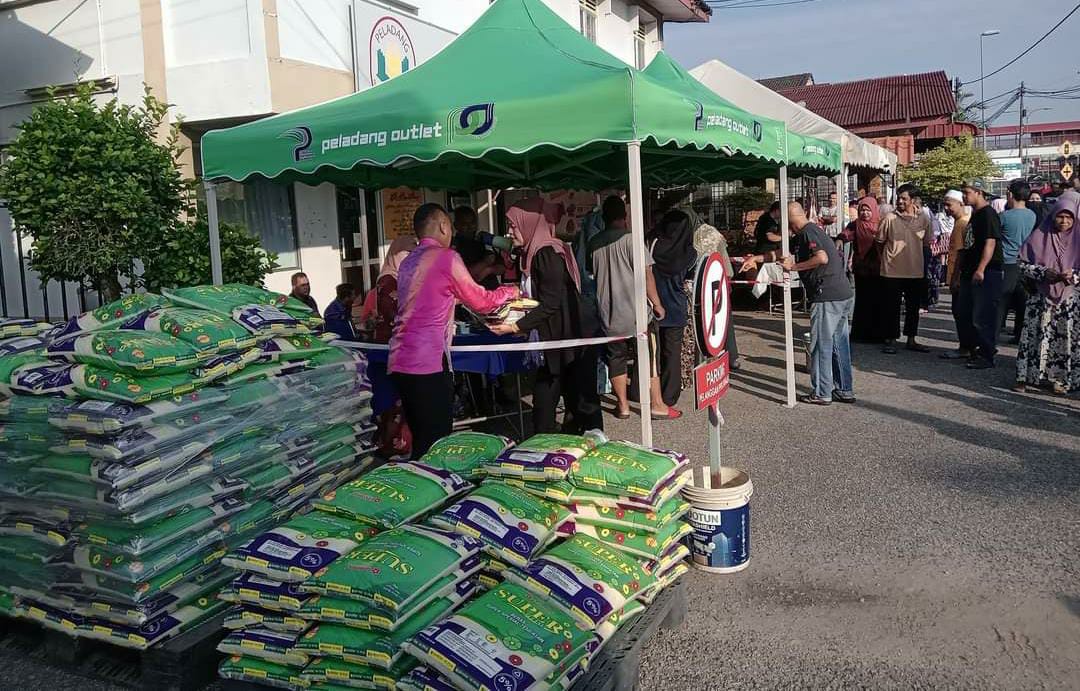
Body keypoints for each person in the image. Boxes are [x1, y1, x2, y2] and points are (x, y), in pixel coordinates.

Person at [389, 203, 518, 459]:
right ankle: (434, 493)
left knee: (421, 439)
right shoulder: (446, 257)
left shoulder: (408, 261)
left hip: (400, 360)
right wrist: (511, 291)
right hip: (427, 363)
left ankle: (420, 489)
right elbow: (481, 300)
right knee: (436, 443)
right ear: (443, 226)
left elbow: (428, 299)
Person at [490, 197, 602, 434]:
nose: (509, 232)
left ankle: (588, 452)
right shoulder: (531, 253)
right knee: (547, 408)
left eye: (513, 225)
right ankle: (550, 456)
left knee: (581, 406)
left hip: (570, 341)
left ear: (528, 223)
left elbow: (551, 302)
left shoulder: (546, 253)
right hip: (554, 342)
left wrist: (516, 326)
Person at [741, 202, 854, 405]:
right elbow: (780, 252)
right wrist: (757, 258)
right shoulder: (805, 234)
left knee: (821, 345)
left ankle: (822, 392)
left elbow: (821, 258)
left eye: (781, 223)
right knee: (839, 344)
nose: (779, 228)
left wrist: (794, 267)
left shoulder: (808, 233)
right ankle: (844, 389)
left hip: (826, 295)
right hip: (841, 294)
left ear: (789, 221)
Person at [589, 196, 678, 420]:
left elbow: (591, 274)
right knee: (650, 357)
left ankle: (623, 406)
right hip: (637, 314)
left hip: (609, 315)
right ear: (624, 216)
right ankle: (657, 404)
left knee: (616, 359)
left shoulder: (595, 242)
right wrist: (657, 304)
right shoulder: (633, 240)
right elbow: (647, 275)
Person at [1014, 191, 1080, 393]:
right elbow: (1022, 263)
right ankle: (1025, 377)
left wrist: (1074, 275)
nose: (1064, 221)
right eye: (1060, 216)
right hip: (1041, 297)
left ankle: (1059, 379)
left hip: (1068, 299)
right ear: (1053, 215)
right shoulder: (1040, 235)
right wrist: (1043, 272)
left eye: (1069, 217)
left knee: (1063, 339)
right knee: (1033, 336)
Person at [648, 210, 697, 409]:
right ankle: (669, 395)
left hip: (652, 303)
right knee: (672, 352)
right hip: (676, 305)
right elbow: (689, 277)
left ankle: (644, 390)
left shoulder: (652, 243)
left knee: (650, 352)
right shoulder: (689, 252)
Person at [876, 184, 932, 354]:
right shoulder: (889, 218)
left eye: (904, 198)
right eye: (898, 197)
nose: (900, 201)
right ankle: (891, 340)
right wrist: (884, 259)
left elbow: (926, 244)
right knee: (891, 307)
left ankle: (911, 339)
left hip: (915, 270)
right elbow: (879, 242)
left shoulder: (924, 219)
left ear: (913, 200)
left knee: (913, 307)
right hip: (892, 271)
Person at [958, 181, 1005, 369]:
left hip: (987, 271)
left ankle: (987, 354)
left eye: (967, 192)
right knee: (968, 313)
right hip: (971, 271)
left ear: (979, 192)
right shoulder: (975, 214)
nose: (964, 196)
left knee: (983, 315)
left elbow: (990, 243)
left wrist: (981, 268)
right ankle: (977, 350)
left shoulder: (988, 214)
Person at [841, 196, 887, 342]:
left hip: (878, 268)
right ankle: (861, 334)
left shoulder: (881, 224)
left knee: (878, 301)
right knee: (862, 302)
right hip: (861, 269)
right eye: (862, 210)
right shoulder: (855, 225)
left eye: (868, 210)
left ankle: (878, 334)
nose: (865, 213)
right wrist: (838, 240)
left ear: (874, 210)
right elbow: (845, 235)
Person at [998, 180, 1038, 343]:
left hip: (1007, 262)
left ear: (1011, 194)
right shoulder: (1032, 215)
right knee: (1022, 301)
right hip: (1025, 261)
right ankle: (1018, 333)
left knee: (1002, 300)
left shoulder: (1004, 216)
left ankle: (996, 330)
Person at [940, 191, 976, 360]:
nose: (946, 208)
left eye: (949, 204)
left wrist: (956, 278)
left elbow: (961, 254)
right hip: (957, 275)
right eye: (945, 205)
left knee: (960, 312)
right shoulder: (959, 222)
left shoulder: (962, 223)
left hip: (959, 277)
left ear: (961, 204)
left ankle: (965, 347)